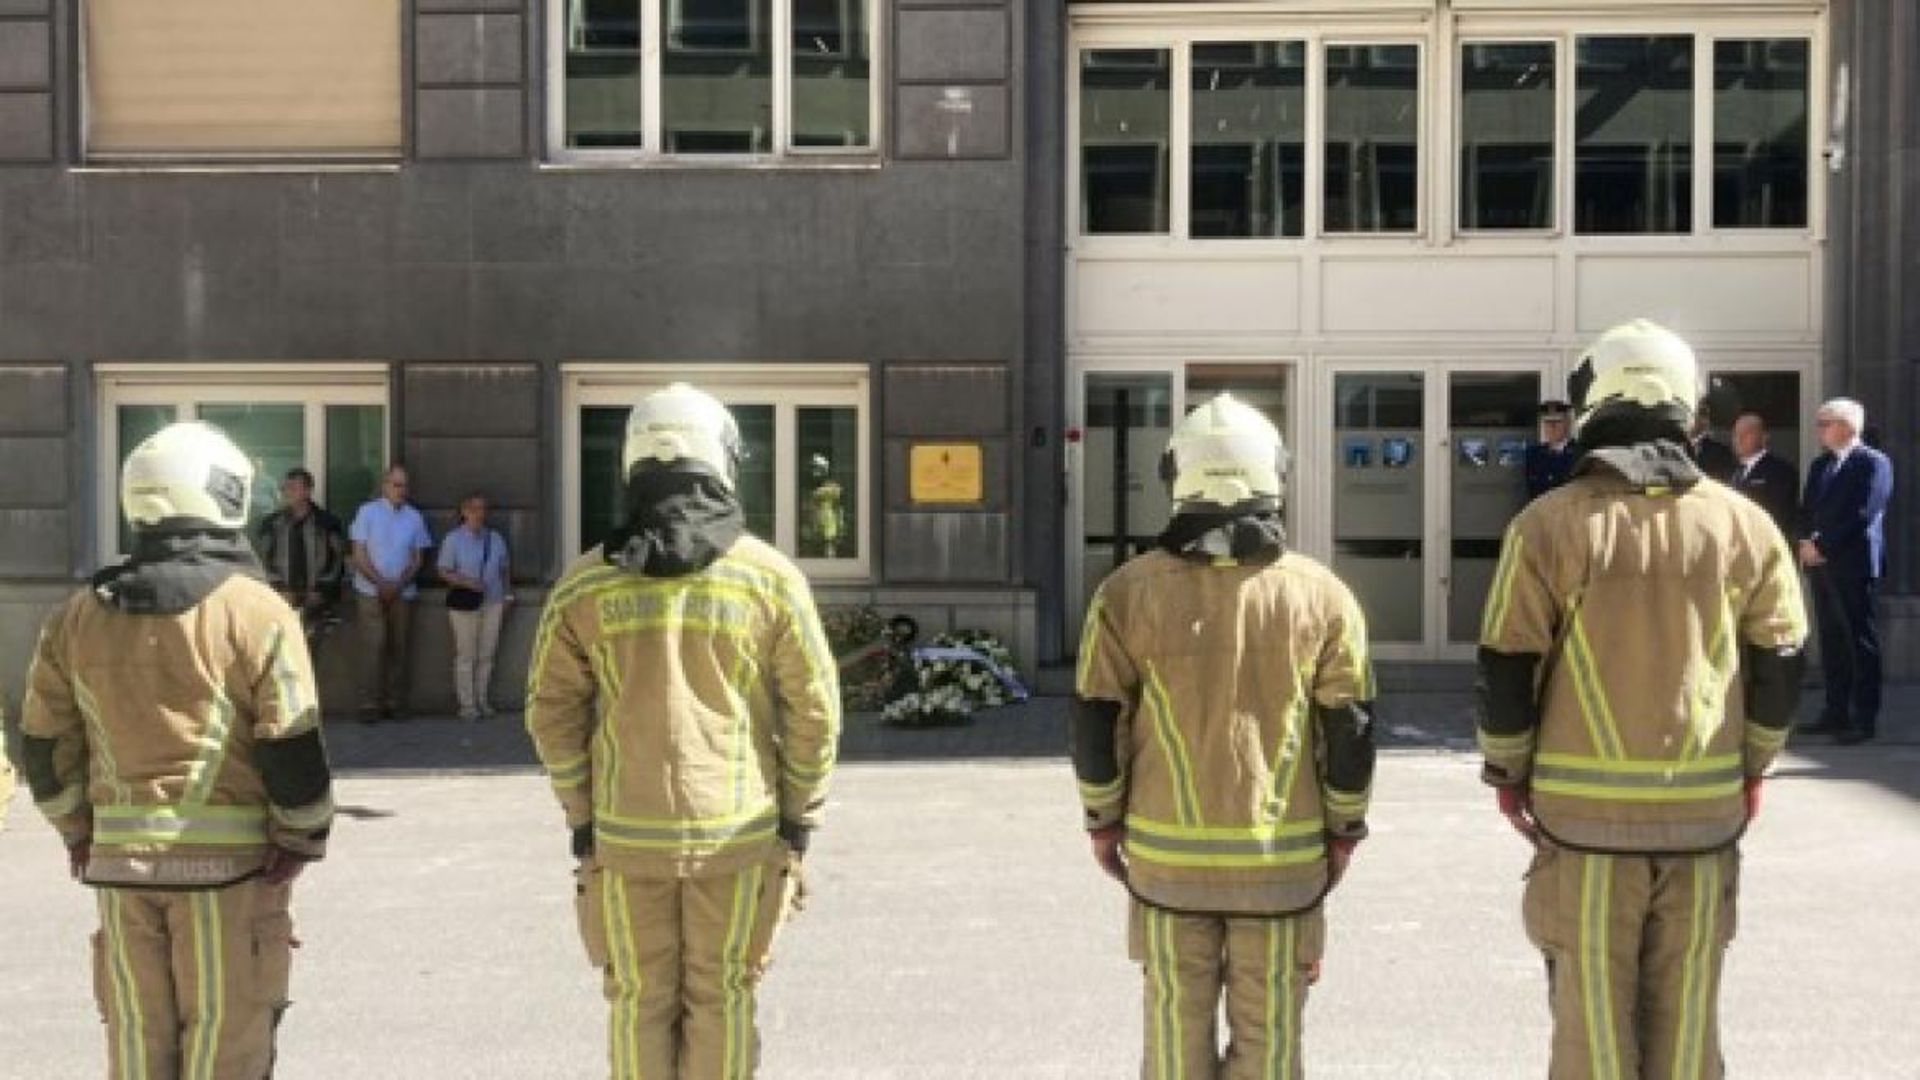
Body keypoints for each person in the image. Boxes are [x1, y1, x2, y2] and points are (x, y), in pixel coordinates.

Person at [1477, 320, 1807, 1079]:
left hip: (1582, 826)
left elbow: (1506, 666)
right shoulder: (1746, 526)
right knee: (1688, 1028)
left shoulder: (1547, 525)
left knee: (1592, 1030)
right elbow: (1782, 660)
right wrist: (1753, 765)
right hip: (1701, 820)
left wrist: (1507, 772)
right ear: (1688, 408)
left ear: (1596, 402)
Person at [526, 383, 840, 1078]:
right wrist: (798, 820)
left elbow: (550, 713)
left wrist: (583, 817)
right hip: (735, 830)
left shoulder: (583, 585)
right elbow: (815, 713)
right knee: (722, 994)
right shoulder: (770, 579)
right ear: (722, 460)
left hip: (625, 833)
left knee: (638, 998)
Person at [18, 421, 335, 1077]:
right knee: (226, 1046)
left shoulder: (77, 614)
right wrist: (300, 838)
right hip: (230, 878)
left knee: (137, 1049)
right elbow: (292, 745)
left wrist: (78, 830)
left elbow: (44, 744)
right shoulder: (256, 610)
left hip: (120, 876)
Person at [1073, 393, 1376, 1079]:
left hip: (1164, 863)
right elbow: (1349, 731)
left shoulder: (1124, 594)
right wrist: (1343, 830)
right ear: (1273, 475)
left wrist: (1102, 820)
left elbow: (1096, 723)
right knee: (1269, 1045)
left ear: (1178, 475)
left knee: (1173, 1043)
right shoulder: (1322, 596)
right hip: (1282, 867)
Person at [1797, 397, 1893, 745]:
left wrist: (1823, 547)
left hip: (1853, 564)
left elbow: (1863, 513)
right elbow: (1807, 509)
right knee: (1832, 639)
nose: (1819, 429)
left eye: (1825, 423)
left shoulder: (1873, 463)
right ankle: (1834, 711)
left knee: (1859, 640)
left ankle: (1863, 717)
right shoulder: (1821, 465)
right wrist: (1805, 542)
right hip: (1821, 565)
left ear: (1848, 426)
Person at [349, 464, 432, 721]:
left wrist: (398, 583)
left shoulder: (414, 517)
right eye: (396, 485)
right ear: (384, 485)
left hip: (403, 591)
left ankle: (395, 703)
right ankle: (369, 704)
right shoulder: (367, 512)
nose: (401, 490)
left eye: (404, 485)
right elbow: (358, 554)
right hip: (369, 590)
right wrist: (380, 583)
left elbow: (418, 558)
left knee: (400, 647)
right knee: (373, 647)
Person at [437, 492, 513, 722]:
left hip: (493, 602)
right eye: (474, 509)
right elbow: (443, 571)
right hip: (465, 603)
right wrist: (467, 582)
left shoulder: (496, 538)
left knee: (487, 654)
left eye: (482, 509)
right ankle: (467, 705)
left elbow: (505, 568)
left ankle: (482, 699)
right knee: (466, 655)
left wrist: (508, 594)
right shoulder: (453, 539)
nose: (479, 514)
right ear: (464, 511)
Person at [255, 466, 348, 645]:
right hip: (281, 599)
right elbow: (262, 558)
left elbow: (337, 561)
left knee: (314, 655)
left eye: (293, 488)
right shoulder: (272, 524)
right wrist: (279, 587)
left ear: (307, 491)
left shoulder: (327, 523)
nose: (287, 493)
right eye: (285, 488)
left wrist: (321, 590)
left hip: (317, 603)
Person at [1726, 412, 1799, 539]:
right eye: (1735, 434)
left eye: (1747, 433)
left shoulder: (1780, 470)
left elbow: (1779, 514)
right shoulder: (1732, 471)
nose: (1739, 438)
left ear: (1764, 437)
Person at [1524, 399, 1578, 500]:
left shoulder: (1579, 453)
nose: (1552, 427)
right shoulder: (1534, 454)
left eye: (1557, 422)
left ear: (1567, 424)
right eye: (1547, 422)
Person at [1689, 400, 1736, 479]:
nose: (1698, 418)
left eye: (1704, 414)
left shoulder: (1721, 453)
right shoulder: (1671, 446)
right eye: (1694, 413)